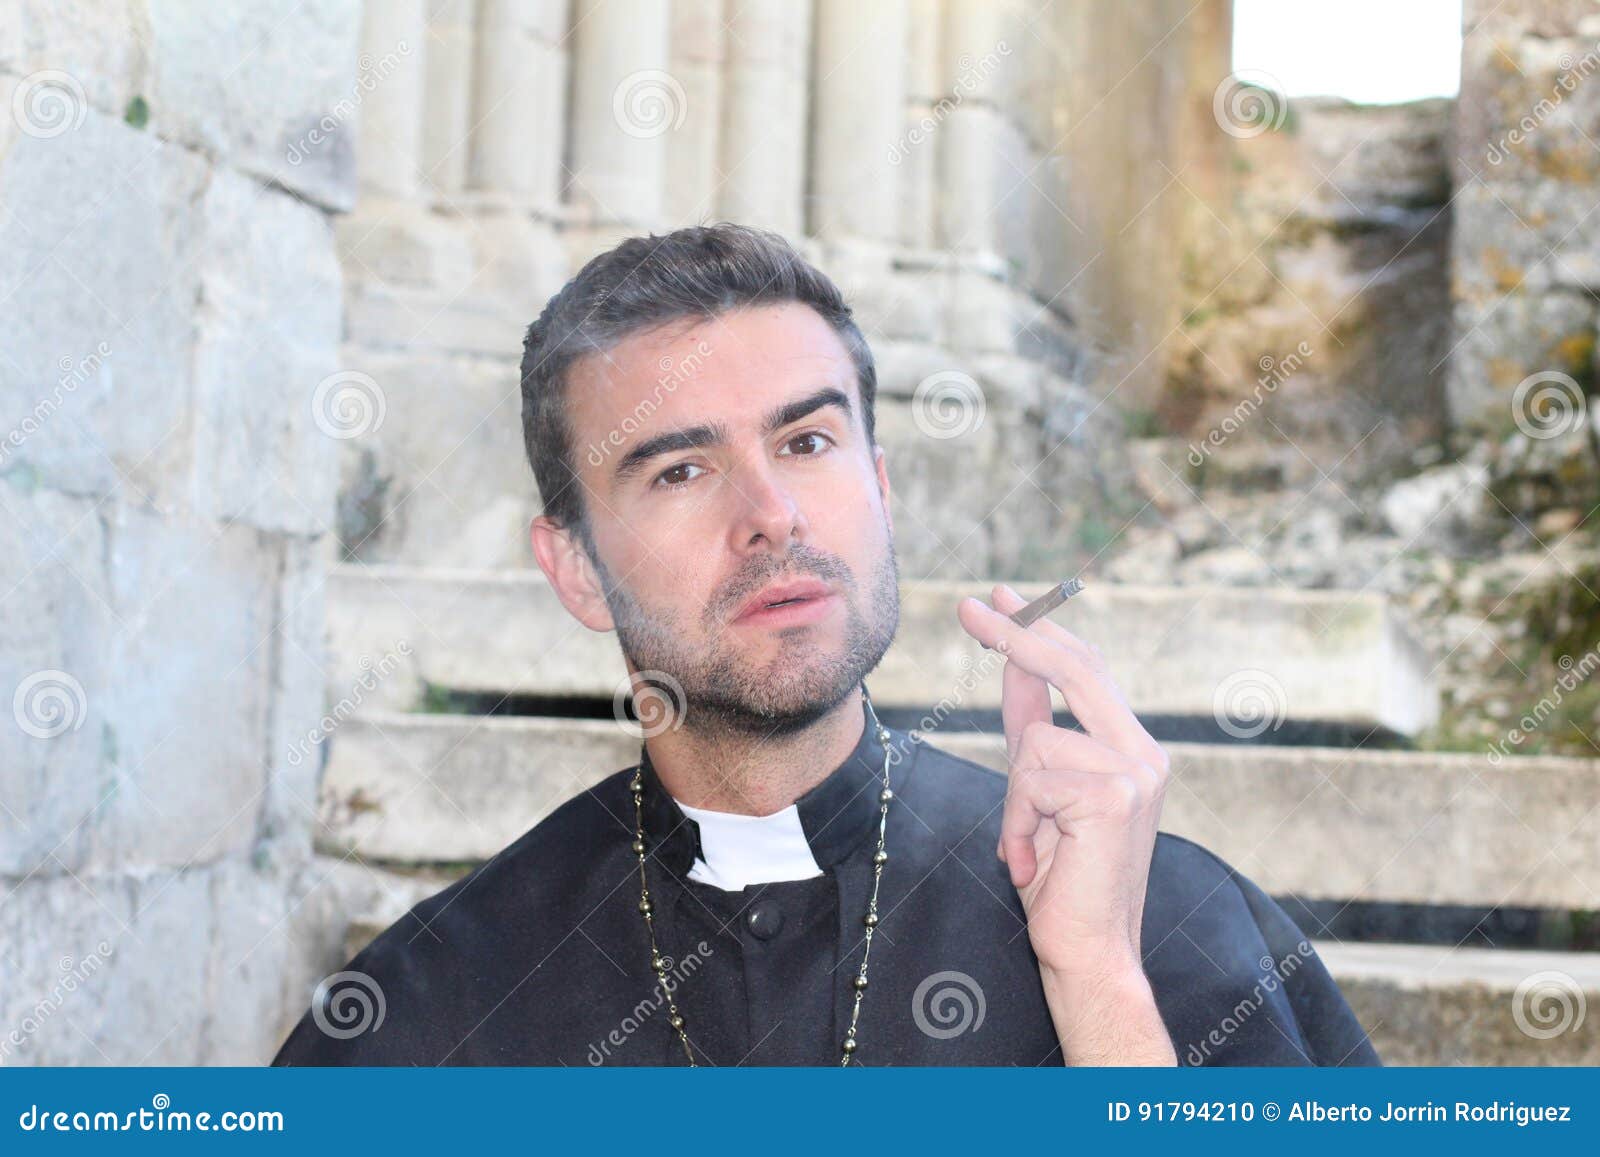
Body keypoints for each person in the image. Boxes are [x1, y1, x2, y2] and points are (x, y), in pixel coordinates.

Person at [272, 224, 1379, 1067]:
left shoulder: (1171, 931)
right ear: (572, 567)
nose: (772, 514)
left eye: (806, 441)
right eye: (680, 469)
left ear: (882, 491)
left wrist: (1097, 987)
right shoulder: (430, 1008)